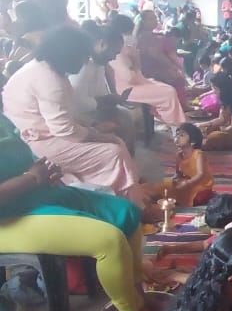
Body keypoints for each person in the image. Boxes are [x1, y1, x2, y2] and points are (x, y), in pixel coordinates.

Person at [0, 111, 157, 311]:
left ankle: (136, 294)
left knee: (127, 213)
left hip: (34, 194)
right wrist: (31, 178)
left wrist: (43, 173)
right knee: (109, 241)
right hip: (8, 218)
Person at [2, 26, 144, 204]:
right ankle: (128, 204)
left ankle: (130, 195)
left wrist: (92, 128)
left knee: (116, 141)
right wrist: (99, 135)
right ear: (69, 53)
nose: (85, 61)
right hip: (37, 144)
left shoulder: (46, 69)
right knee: (113, 151)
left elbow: (63, 118)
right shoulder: (49, 78)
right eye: (83, 55)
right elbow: (64, 129)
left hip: (44, 135)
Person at [69, 21, 137, 154]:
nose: (114, 57)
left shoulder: (98, 63)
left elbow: (99, 92)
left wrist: (110, 99)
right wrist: (102, 101)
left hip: (91, 110)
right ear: (102, 44)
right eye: (114, 52)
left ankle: (127, 163)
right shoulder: (82, 64)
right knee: (121, 122)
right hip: (77, 117)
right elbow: (78, 103)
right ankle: (121, 162)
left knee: (125, 115)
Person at [108, 14, 186, 128]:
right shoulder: (117, 51)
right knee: (167, 93)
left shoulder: (127, 47)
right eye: (127, 33)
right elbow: (129, 77)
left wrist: (136, 60)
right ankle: (175, 125)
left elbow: (138, 71)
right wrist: (135, 61)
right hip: (127, 89)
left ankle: (175, 124)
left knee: (167, 88)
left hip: (138, 81)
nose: (130, 36)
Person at [146, 123, 214, 208]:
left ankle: (167, 197)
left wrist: (188, 183)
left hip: (200, 186)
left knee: (193, 195)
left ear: (192, 142)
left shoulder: (198, 154)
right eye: (177, 135)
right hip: (185, 182)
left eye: (181, 135)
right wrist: (175, 179)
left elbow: (201, 174)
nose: (177, 137)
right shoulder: (178, 155)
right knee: (162, 184)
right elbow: (178, 174)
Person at [134, 10, 188, 106]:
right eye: (151, 18)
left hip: (158, 68)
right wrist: (173, 67)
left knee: (177, 74)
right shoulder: (141, 38)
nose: (155, 20)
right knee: (177, 77)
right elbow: (156, 55)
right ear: (143, 21)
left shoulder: (157, 36)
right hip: (148, 72)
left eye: (155, 17)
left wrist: (177, 67)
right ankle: (180, 106)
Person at [198, 59, 232, 150]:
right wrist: (203, 124)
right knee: (206, 129)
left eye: (215, 89)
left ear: (223, 89)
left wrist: (220, 130)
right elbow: (221, 119)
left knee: (213, 137)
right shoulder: (224, 101)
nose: (214, 92)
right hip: (227, 129)